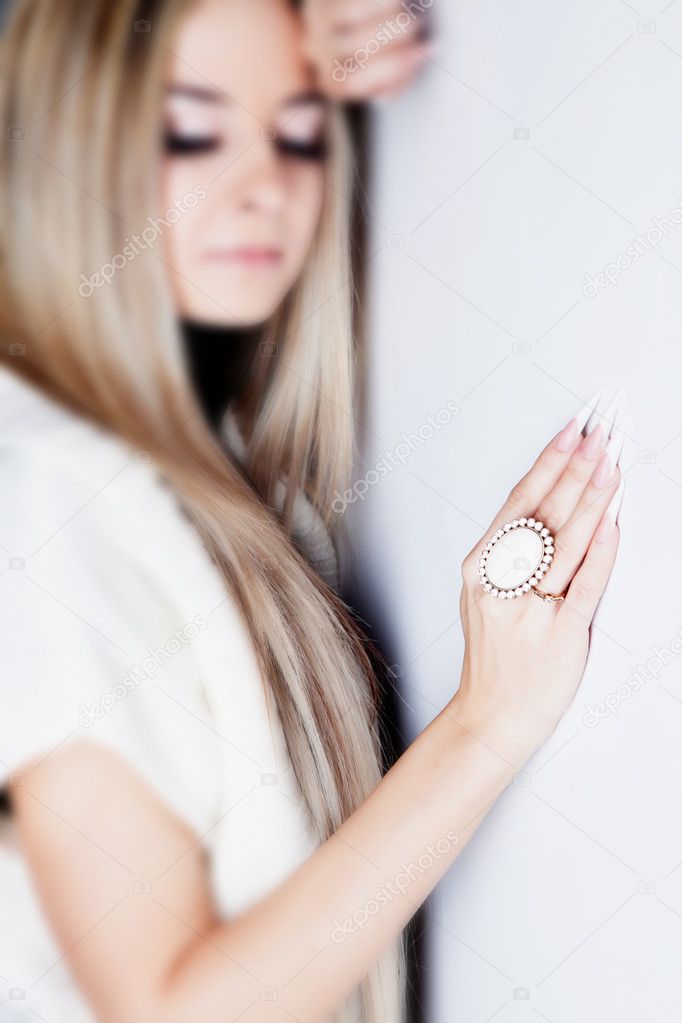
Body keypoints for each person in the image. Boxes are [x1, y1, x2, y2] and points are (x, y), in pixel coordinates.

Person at [0, 1, 623, 1021]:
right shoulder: (37, 501)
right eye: (190, 132)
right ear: (68, 147)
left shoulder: (228, 467)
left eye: (297, 135)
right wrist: (485, 725)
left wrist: (366, 33)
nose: (266, 191)